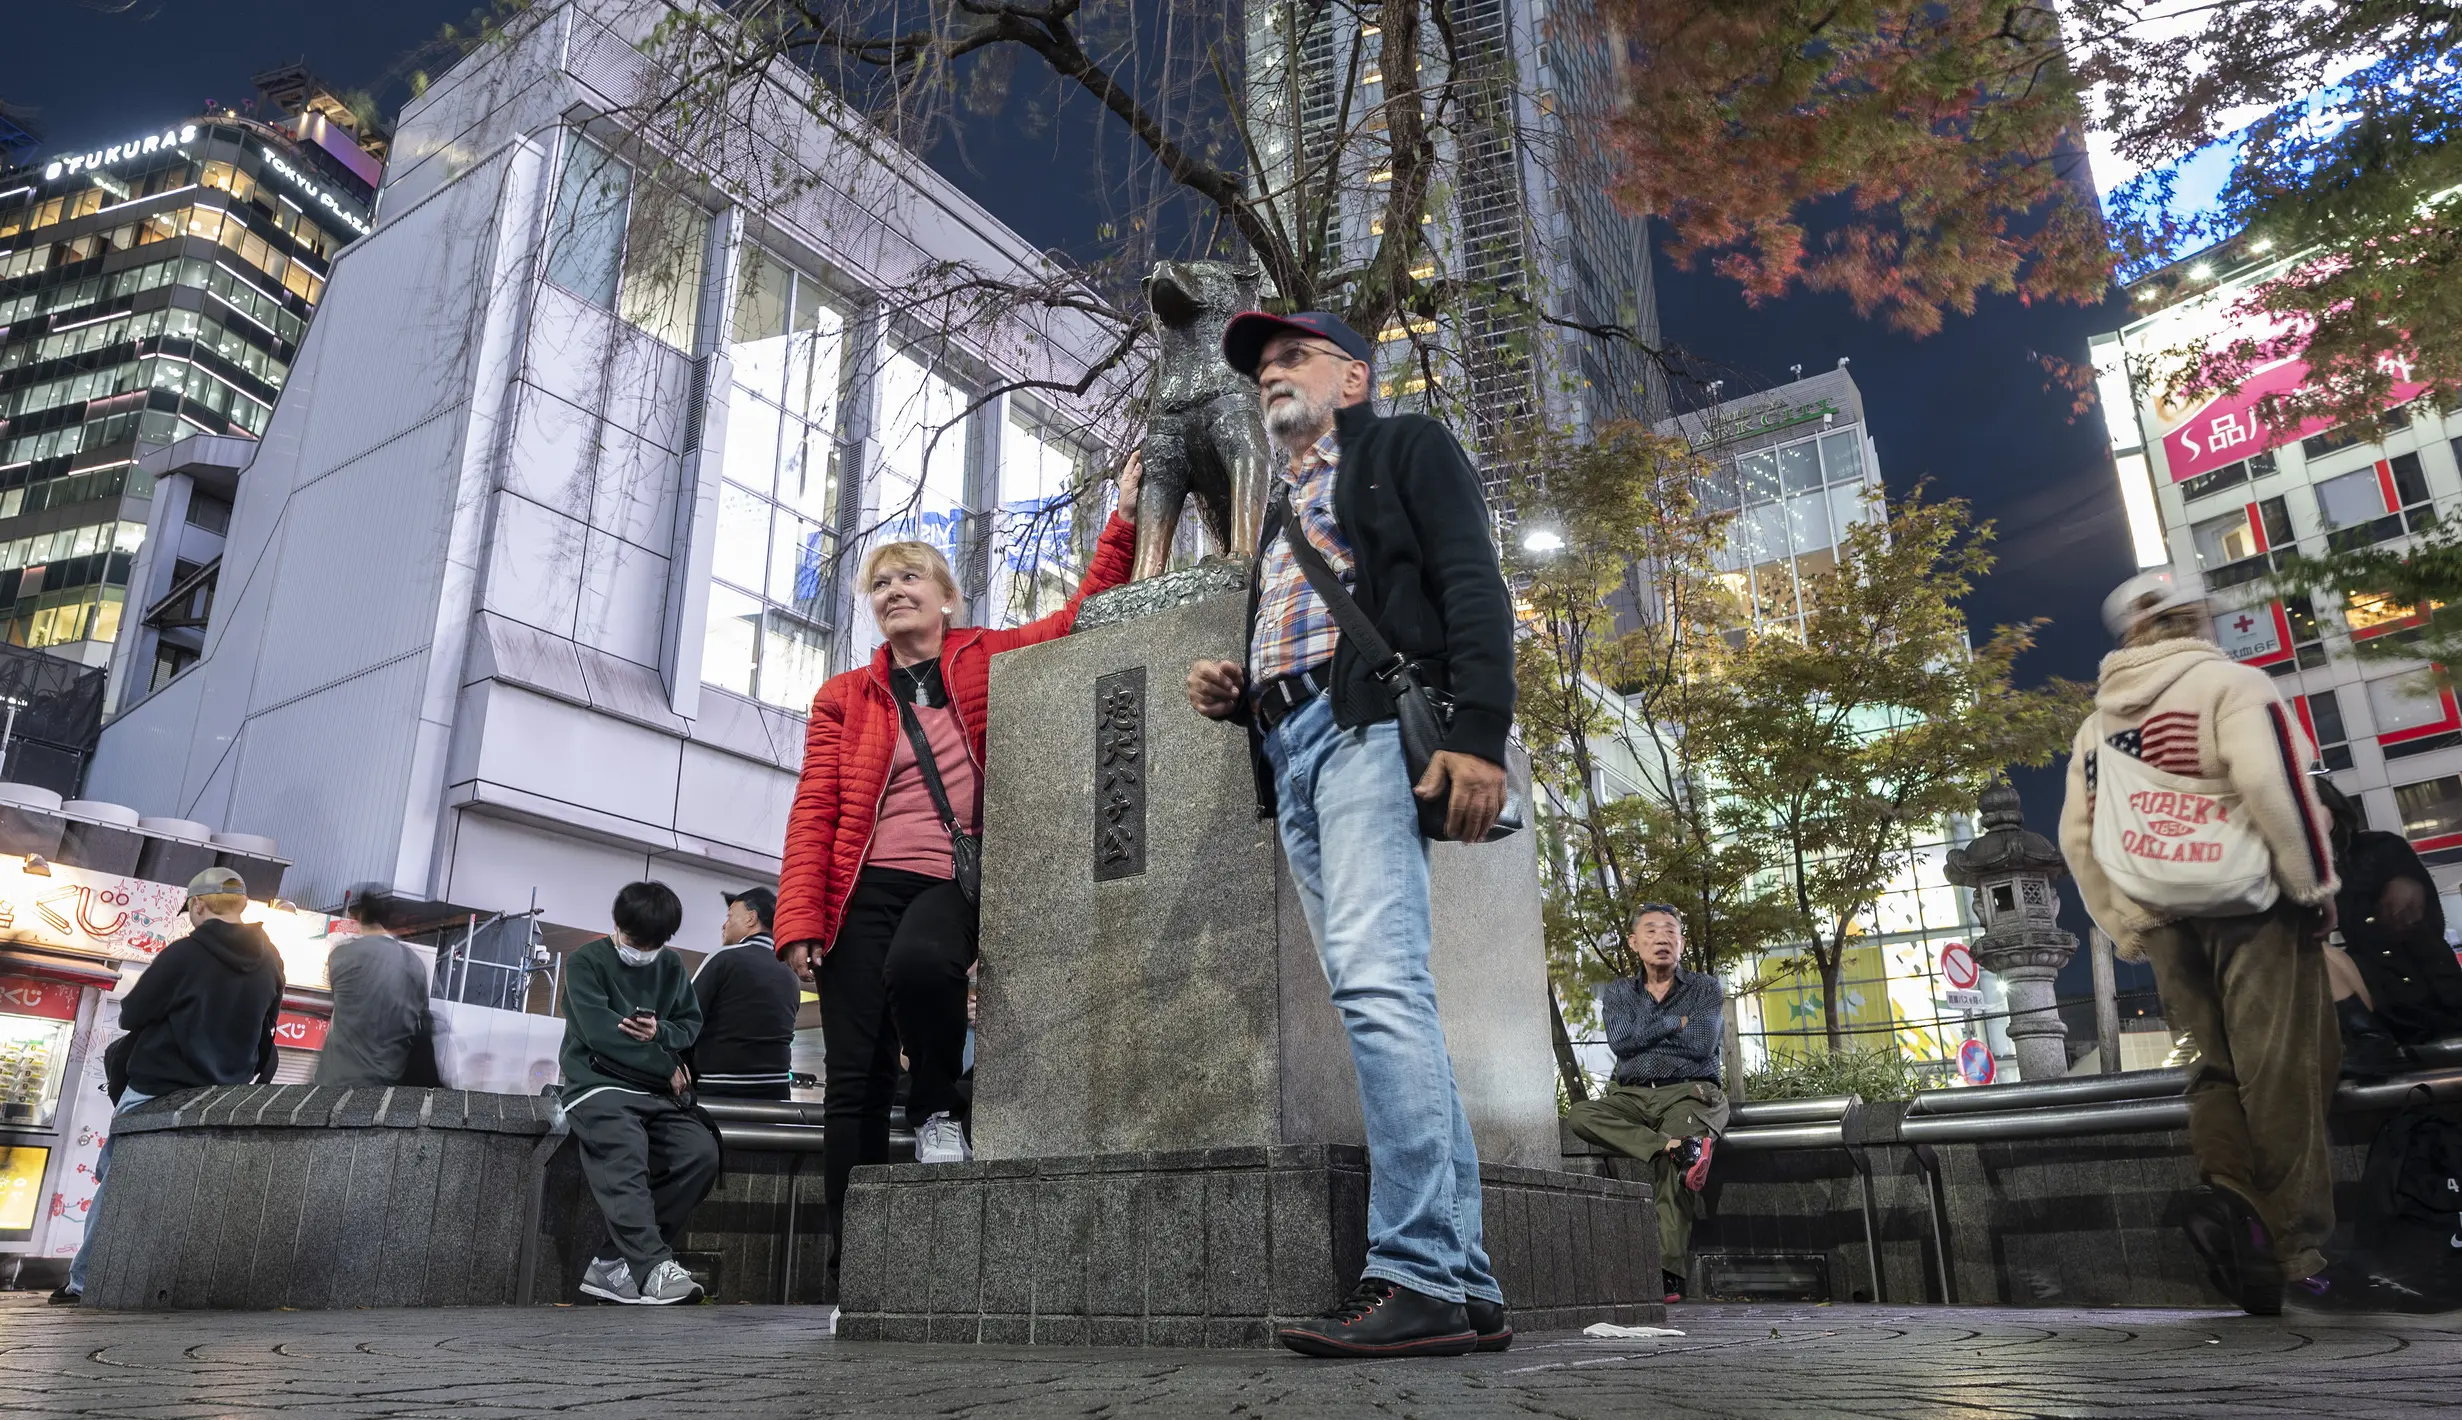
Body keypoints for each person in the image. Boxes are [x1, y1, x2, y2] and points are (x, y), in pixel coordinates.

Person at [1186, 310, 1515, 1358]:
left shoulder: (1401, 448)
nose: (1272, 373)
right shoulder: (1277, 503)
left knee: (1380, 987)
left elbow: (1471, 583)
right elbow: (1310, 627)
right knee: (1380, 993)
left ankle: (1414, 1269)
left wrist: (1478, 733)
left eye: (1293, 357)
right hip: (1290, 746)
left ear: (1352, 376)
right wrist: (1243, 691)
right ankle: (1460, 1282)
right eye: (1261, 367)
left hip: (1372, 731)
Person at [773, 455, 1142, 1284]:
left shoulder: (987, 658)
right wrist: (797, 920)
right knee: (853, 1079)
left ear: (946, 599)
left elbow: (1082, 619)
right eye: (882, 584)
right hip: (857, 890)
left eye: (911, 578)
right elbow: (816, 810)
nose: (895, 590)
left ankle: (938, 1106)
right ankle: (854, 1266)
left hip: (955, 876)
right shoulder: (844, 696)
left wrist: (1121, 516)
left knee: (923, 965)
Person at [2059, 568, 2361, 1317]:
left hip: (2162, 918)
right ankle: (2295, 1244)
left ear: (2132, 633)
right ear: (2198, 621)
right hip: (2252, 904)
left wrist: (2123, 921)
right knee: (2283, 1066)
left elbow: (2077, 835)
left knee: (2213, 1071)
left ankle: (2235, 1204)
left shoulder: (2096, 727)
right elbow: (2272, 784)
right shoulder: (2232, 685)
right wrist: (2315, 885)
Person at [54, 867, 283, 1304]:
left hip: (157, 1088)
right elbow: (268, 1026)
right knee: (194, 1191)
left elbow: (131, 1015)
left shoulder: (185, 953)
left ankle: (84, 1284)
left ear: (199, 905)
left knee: (116, 1181)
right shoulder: (271, 960)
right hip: (224, 1096)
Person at [559, 880, 719, 1306]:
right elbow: (599, 1034)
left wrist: (660, 1031)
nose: (642, 949)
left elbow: (689, 1024)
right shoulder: (585, 962)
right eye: (635, 940)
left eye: (654, 943)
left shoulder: (670, 967)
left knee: (700, 1154)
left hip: (653, 1093)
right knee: (625, 1149)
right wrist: (664, 1063)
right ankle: (651, 1267)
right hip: (595, 1085)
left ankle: (614, 1264)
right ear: (616, 924)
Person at [1565, 905, 1728, 1306]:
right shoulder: (1621, 992)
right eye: (1651, 931)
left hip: (1689, 1091)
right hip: (1631, 1095)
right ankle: (1669, 1145)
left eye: (1671, 931)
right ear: (1635, 943)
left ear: (1682, 942)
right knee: (1581, 1114)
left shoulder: (1705, 988)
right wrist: (1675, 1022)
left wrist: (1648, 1033)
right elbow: (1621, 1042)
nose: (1662, 938)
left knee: (1676, 1166)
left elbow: (1702, 1044)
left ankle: (1667, 1274)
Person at [2314, 778, 2462, 1055]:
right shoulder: (2312, 871)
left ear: (2334, 808)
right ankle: (2366, 1036)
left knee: (2314, 955)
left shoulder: (2378, 847)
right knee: (2310, 953)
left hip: (2422, 984)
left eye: (2312, 806)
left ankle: (2369, 1039)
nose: (2303, 819)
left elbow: (2409, 918)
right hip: (2377, 984)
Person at [316, 884, 435, 1089]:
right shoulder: (413, 964)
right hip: (386, 1085)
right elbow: (420, 1021)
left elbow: (337, 999)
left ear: (359, 916)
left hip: (334, 1079)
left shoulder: (341, 955)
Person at [688, 887, 799, 1100]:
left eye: (730, 916)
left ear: (751, 918)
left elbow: (685, 1019)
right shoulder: (789, 970)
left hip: (721, 1088)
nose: (724, 925)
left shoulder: (724, 959)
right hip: (777, 1090)